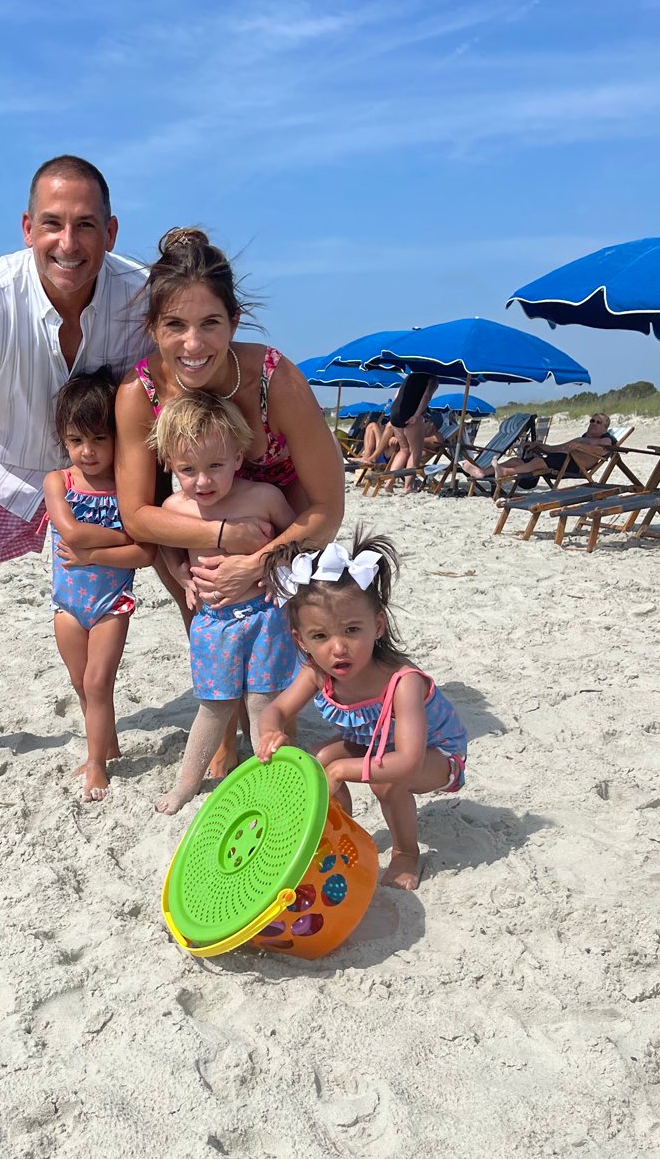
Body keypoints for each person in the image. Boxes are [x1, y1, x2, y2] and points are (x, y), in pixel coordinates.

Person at [0, 155, 149, 777]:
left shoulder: (141, 297)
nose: (68, 243)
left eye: (85, 225)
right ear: (27, 228)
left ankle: (224, 738)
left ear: (111, 232)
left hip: (104, 471)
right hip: (5, 467)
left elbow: (175, 388)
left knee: (190, 575)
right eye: (53, 223)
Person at [114, 227, 344, 771]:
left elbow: (327, 509)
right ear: (152, 328)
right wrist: (222, 537)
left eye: (210, 323)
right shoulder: (139, 394)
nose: (193, 344)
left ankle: (274, 734)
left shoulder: (274, 380)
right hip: (194, 521)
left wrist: (260, 561)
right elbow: (137, 514)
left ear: (234, 322)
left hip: (283, 524)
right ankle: (222, 735)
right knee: (204, 615)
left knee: (283, 638)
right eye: (175, 325)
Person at [257, 531, 468, 891]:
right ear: (301, 640)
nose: (338, 648)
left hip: (436, 755)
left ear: (378, 626)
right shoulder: (316, 671)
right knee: (317, 760)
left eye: (352, 630)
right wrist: (270, 730)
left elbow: (408, 761)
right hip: (377, 745)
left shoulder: (402, 682)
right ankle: (342, 833)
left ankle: (406, 853)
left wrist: (344, 769)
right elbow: (275, 709)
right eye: (320, 636)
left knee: (387, 783)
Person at [147, 392, 298, 814]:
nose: (203, 481)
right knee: (214, 706)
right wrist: (180, 573)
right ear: (169, 464)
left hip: (266, 616)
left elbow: (297, 541)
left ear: (237, 457)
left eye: (215, 466)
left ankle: (274, 778)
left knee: (264, 702)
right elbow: (164, 545)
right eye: (188, 470)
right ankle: (187, 783)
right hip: (214, 622)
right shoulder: (175, 507)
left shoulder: (263, 497)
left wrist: (268, 566)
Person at [43, 369, 155, 802]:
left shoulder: (128, 490)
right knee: (79, 681)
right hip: (68, 604)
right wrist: (121, 538)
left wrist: (94, 554)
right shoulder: (59, 481)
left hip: (111, 603)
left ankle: (95, 765)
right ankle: (106, 745)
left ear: (117, 438)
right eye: (76, 440)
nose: (87, 451)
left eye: (99, 439)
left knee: (97, 683)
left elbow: (145, 554)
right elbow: (71, 532)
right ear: (63, 439)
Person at [459, 412, 616, 483]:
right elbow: (556, 448)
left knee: (538, 463)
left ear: (605, 427)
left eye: (598, 422)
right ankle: (483, 472)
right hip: (561, 460)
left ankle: (505, 472)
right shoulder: (581, 438)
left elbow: (601, 451)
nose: (594, 424)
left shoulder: (606, 440)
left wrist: (582, 447)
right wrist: (539, 446)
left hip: (574, 466)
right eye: (592, 421)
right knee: (517, 460)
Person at [386, 372, 439, 492]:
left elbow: (397, 395)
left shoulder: (410, 376)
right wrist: (417, 414)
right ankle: (407, 487)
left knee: (404, 450)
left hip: (395, 412)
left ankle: (389, 483)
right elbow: (427, 396)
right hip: (411, 413)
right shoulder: (432, 378)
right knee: (415, 452)